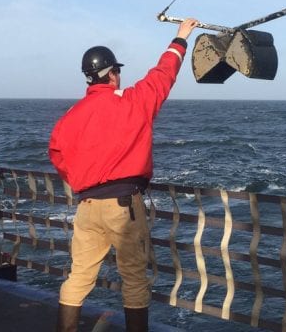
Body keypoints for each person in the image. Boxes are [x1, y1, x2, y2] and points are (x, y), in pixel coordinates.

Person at [49, 18, 198, 332]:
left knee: (78, 278)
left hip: (87, 207)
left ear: (89, 78)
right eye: (118, 71)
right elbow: (163, 75)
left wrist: (78, 178)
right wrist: (181, 38)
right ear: (112, 73)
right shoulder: (133, 102)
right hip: (123, 208)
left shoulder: (70, 116)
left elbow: (57, 154)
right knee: (133, 280)